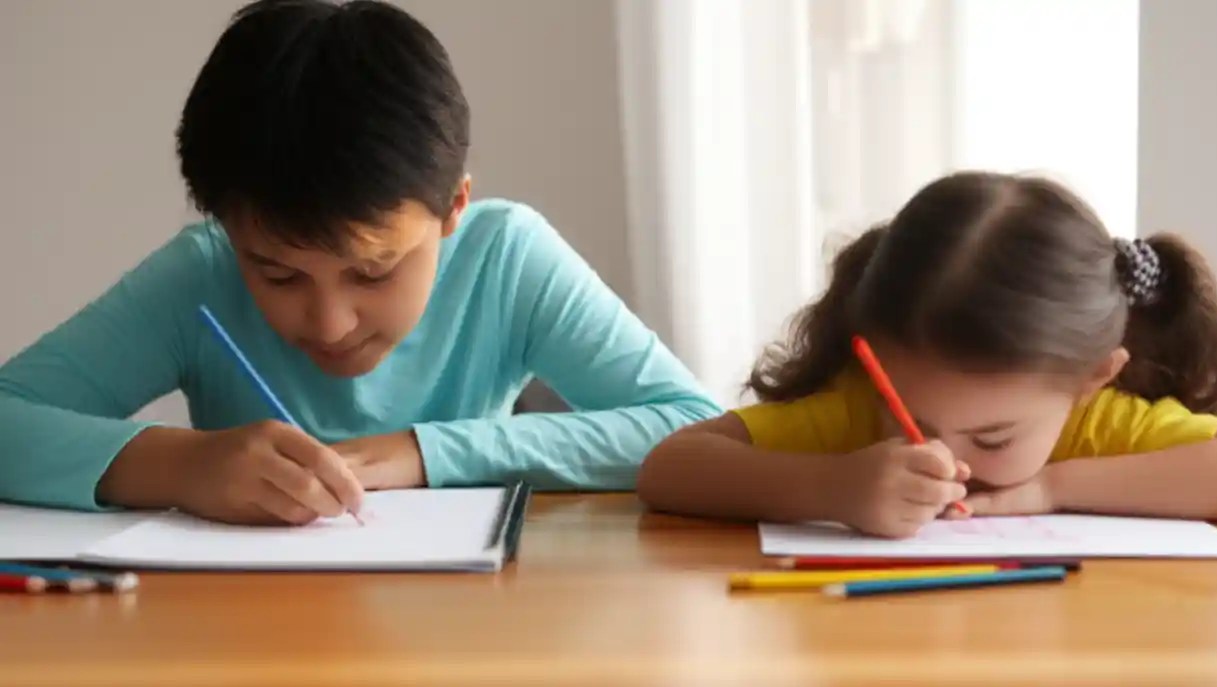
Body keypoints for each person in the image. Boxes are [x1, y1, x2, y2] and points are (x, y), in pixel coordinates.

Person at [0, 0, 718, 525]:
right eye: (277, 274)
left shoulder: (507, 258)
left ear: (453, 207)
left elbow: (690, 428)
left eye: (373, 271)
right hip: (244, 634)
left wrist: (424, 453)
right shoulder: (204, 277)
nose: (330, 321)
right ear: (226, 226)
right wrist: (183, 466)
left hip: (474, 629)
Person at [638, 171, 1217, 537]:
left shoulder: (1097, 424)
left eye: (994, 438)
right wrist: (832, 488)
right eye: (909, 415)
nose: (944, 459)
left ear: (1093, 377)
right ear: (873, 364)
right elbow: (669, 466)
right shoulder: (857, 418)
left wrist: (1052, 486)